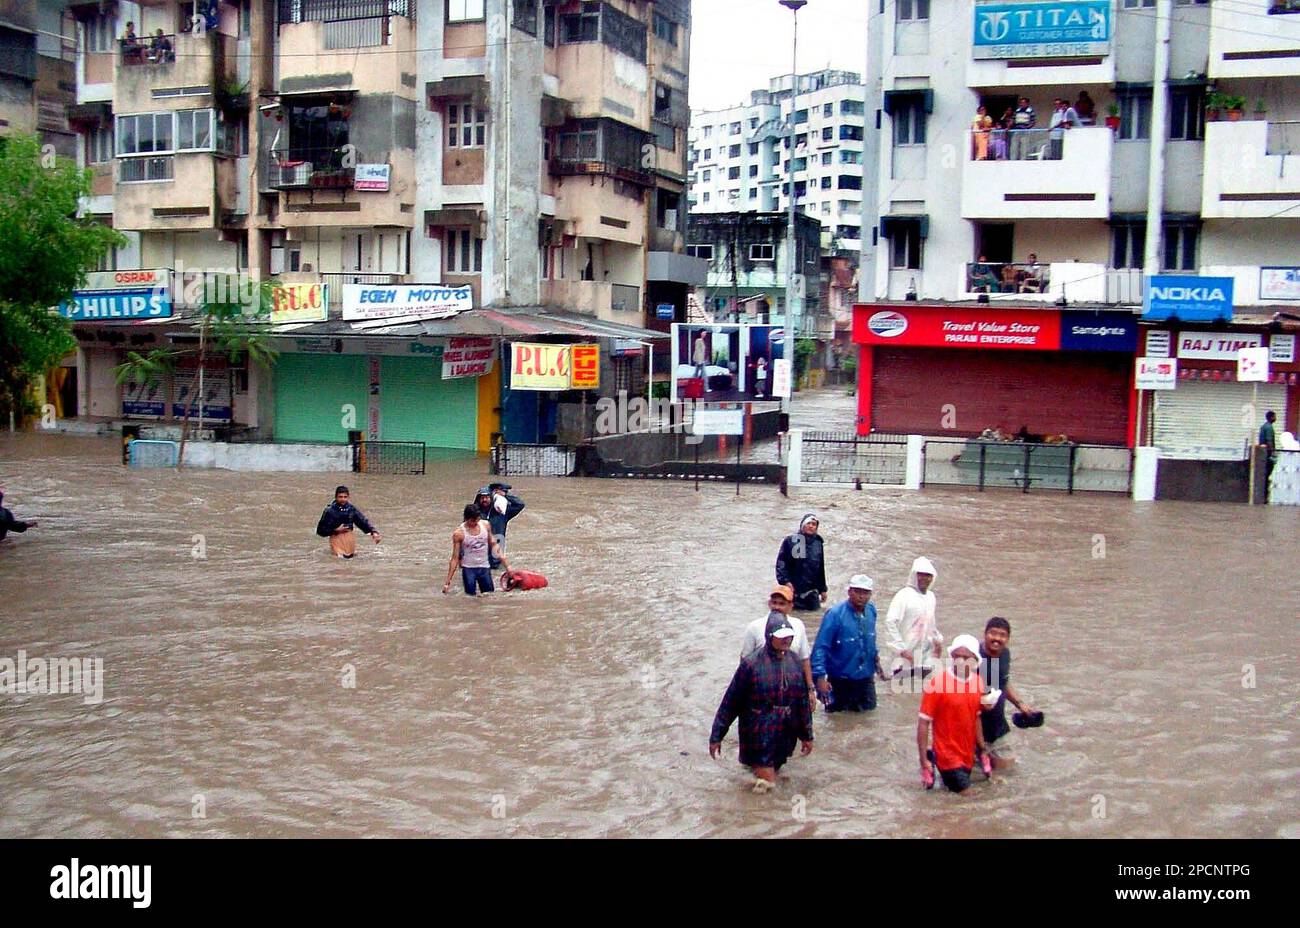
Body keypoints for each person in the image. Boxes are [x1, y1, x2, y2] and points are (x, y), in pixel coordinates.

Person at [710, 612, 814, 793]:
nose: (786, 641)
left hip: (784, 733)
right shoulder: (751, 665)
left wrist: (807, 735)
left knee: (777, 775)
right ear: (769, 636)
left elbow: (802, 703)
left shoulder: (795, 662)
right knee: (767, 786)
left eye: (789, 636)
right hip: (758, 732)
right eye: (781, 637)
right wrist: (717, 736)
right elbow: (731, 701)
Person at [917, 635, 990, 793]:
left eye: (966, 657)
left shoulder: (978, 682)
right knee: (970, 797)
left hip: (967, 755)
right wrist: (923, 761)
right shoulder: (937, 683)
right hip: (947, 756)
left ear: (975, 660)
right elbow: (923, 723)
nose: (961, 661)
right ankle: (932, 758)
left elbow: (976, 717)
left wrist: (982, 748)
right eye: (957, 656)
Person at [811, 575, 887, 712]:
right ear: (849, 591)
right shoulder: (834, 615)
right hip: (840, 680)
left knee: (868, 718)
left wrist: (876, 661)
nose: (861, 596)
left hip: (865, 679)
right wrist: (820, 678)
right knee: (839, 722)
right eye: (857, 591)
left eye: (865, 592)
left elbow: (870, 639)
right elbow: (820, 648)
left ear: (870, 594)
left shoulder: (871, 611)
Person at [740, 585, 816, 715]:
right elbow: (744, 663)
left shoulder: (798, 626)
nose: (777, 607)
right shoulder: (754, 627)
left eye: (782, 604)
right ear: (769, 604)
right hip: (763, 690)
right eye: (774, 603)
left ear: (791, 606)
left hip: (792, 688)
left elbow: (804, 660)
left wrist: (810, 690)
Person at [979, 617, 1037, 770]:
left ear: (1008, 639)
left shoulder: (1005, 654)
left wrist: (1020, 704)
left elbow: (1003, 682)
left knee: (1007, 772)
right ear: (984, 634)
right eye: (993, 633)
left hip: (997, 726)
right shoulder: (973, 658)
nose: (997, 638)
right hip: (971, 729)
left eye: (1002, 635)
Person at [884, 556, 942, 680]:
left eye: (928, 575)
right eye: (920, 574)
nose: (924, 578)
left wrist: (937, 643)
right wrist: (902, 649)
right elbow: (890, 622)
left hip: (923, 657)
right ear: (914, 575)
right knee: (899, 688)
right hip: (903, 657)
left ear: (933, 577)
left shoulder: (931, 597)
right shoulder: (904, 595)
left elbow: (931, 623)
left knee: (918, 691)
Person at [443, 504, 513, 596]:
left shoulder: (485, 525)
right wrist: (447, 582)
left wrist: (507, 566)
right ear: (466, 519)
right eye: (473, 520)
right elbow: (455, 558)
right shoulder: (459, 533)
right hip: (469, 569)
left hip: (484, 567)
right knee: (470, 598)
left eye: (477, 519)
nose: (476, 522)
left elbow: (494, 545)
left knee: (490, 596)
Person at [775, 513, 827, 611]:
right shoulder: (793, 540)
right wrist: (786, 581)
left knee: (814, 619)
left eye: (814, 524)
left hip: (812, 592)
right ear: (802, 525)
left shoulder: (818, 542)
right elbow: (781, 563)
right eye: (808, 523)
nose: (811, 526)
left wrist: (823, 589)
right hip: (793, 590)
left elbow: (820, 568)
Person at [315, 485, 380, 558]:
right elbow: (320, 530)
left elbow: (362, 521)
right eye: (340, 497)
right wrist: (335, 530)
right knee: (339, 559)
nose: (343, 499)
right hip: (336, 538)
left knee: (350, 559)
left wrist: (373, 532)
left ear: (348, 497)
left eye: (345, 497)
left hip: (349, 537)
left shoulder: (351, 509)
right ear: (336, 497)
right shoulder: (329, 511)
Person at [474, 483, 525, 571]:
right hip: (479, 556)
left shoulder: (502, 512)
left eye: (487, 497)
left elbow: (520, 504)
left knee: (496, 574)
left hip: (496, 556)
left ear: (492, 498)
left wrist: (506, 495)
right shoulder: (473, 513)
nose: (484, 500)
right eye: (482, 498)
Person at [1259, 410, 1278, 489]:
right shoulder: (1269, 427)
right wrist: (1273, 452)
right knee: (1268, 473)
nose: (1275, 418)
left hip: (1263, 453)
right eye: (1274, 416)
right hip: (1267, 454)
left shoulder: (1264, 426)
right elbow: (1269, 440)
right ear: (1271, 417)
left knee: (1265, 474)